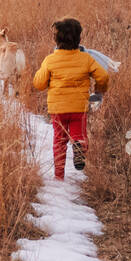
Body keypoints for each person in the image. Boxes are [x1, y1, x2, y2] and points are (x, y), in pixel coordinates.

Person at [31, 18, 111, 179]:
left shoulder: (50, 60)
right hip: (78, 107)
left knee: (59, 141)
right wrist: (98, 91)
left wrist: (47, 78)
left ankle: (59, 176)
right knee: (79, 135)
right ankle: (79, 147)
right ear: (79, 39)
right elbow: (103, 76)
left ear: (56, 39)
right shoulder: (86, 59)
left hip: (57, 109)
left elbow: (38, 84)